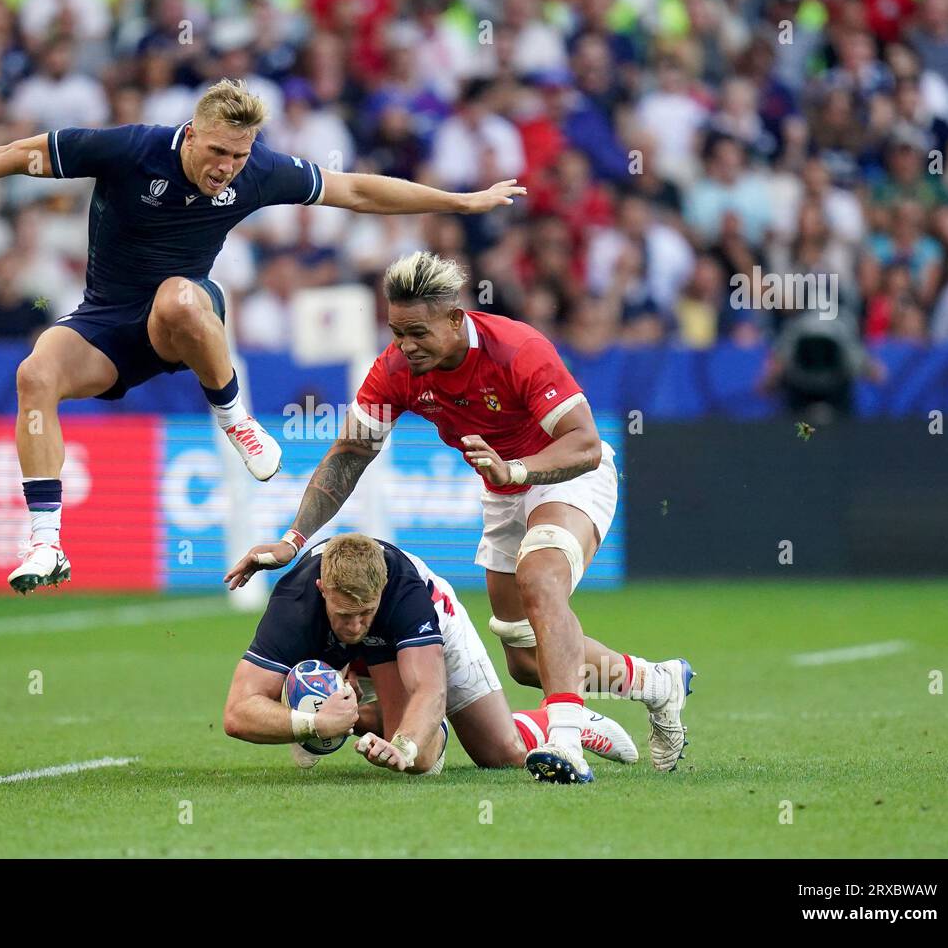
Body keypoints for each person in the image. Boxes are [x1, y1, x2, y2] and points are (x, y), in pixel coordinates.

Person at [0, 79, 525, 594]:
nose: (230, 166)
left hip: (186, 318)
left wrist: (459, 202)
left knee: (177, 294)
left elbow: (359, 192)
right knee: (33, 376)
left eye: (240, 154)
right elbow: (11, 155)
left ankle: (234, 418)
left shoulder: (259, 173)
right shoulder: (129, 149)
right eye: (221, 151)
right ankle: (47, 543)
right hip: (105, 324)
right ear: (192, 135)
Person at [227, 251, 694, 785]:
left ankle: (566, 741)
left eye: (417, 332)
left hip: (562, 474)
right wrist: (293, 538)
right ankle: (657, 683)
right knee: (524, 656)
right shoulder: (397, 370)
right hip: (502, 486)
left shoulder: (517, 348)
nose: (405, 346)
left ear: (456, 318)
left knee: (540, 578)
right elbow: (349, 455)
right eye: (397, 331)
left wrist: (516, 467)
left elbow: (584, 444)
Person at [223, 532, 636, 776]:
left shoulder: (404, 593)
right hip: (357, 652)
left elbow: (431, 692)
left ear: (380, 595)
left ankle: (566, 721)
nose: (353, 626)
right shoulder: (293, 604)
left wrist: (404, 746)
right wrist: (314, 722)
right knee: (368, 721)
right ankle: (353, 718)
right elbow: (237, 713)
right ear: (321, 591)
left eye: (364, 614)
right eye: (343, 615)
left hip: (427, 629)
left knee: (490, 754)